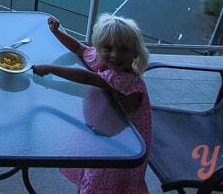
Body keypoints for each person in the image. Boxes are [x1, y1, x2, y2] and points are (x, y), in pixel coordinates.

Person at [32, 14, 151, 194]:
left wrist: (49, 69)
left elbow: (86, 77)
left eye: (124, 49)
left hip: (124, 142)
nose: (115, 55)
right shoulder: (103, 60)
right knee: (93, 170)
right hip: (108, 131)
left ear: (135, 52)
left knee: (103, 180)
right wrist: (56, 32)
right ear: (98, 48)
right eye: (108, 48)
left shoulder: (125, 78)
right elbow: (79, 48)